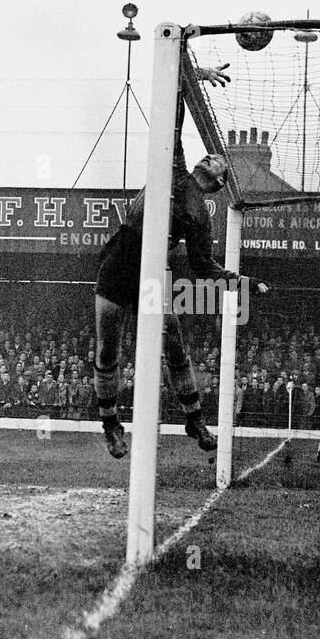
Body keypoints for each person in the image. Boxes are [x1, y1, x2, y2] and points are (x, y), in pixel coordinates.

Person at [92, 63, 268, 458]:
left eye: (217, 161)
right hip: (121, 259)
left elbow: (205, 268)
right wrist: (190, 74)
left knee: (174, 343)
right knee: (107, 350)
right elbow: (173, 118)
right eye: (207, 155)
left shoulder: (200, 215)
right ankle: (111, 426)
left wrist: (245, 281)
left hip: (154, 272)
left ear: (220, 182)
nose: (209, 158)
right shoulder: (173, 169)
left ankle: (193, 418)